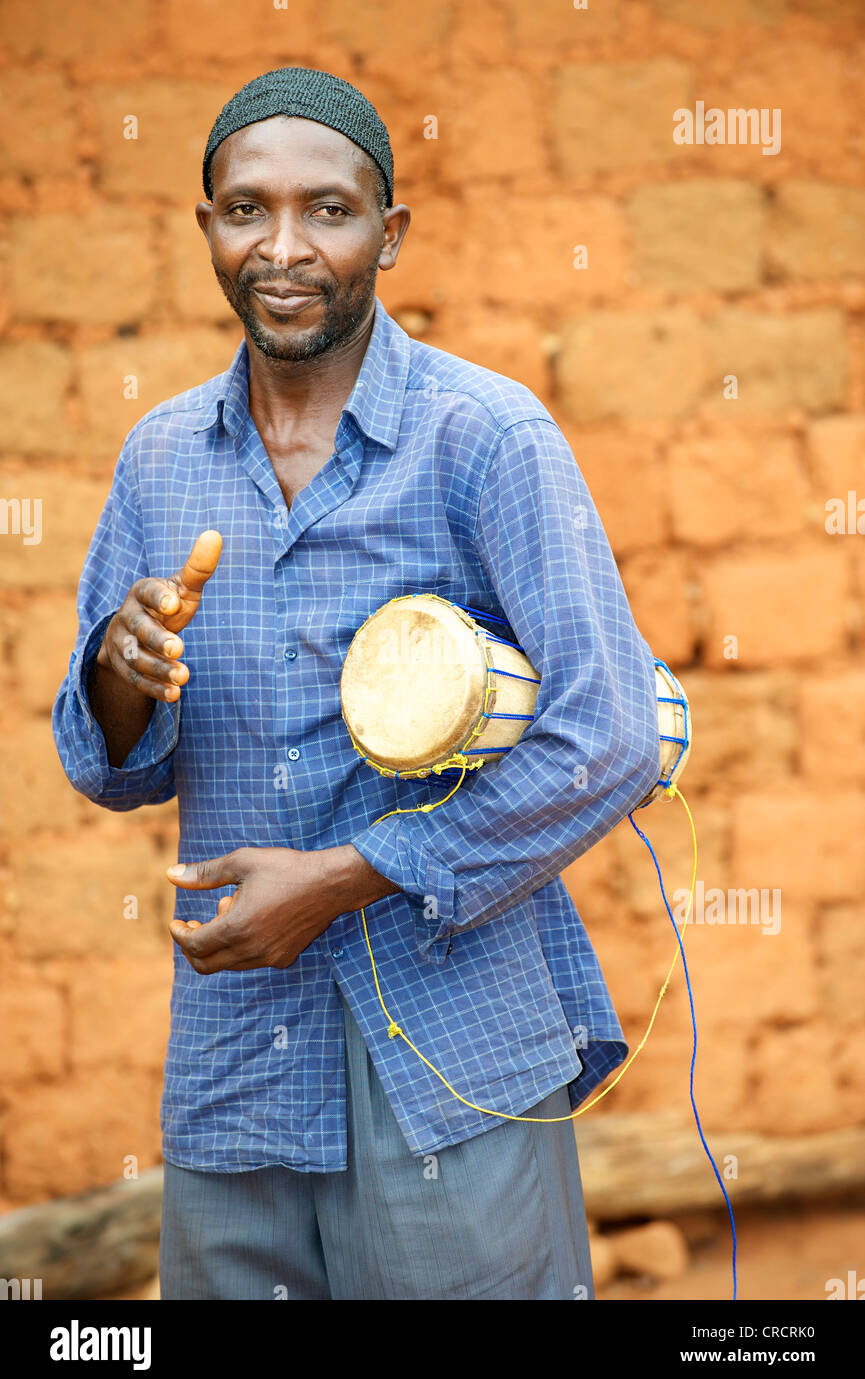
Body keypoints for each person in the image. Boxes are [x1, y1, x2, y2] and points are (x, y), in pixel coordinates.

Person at [52, 66, 661, 1301]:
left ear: (388, 235)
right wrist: (119, 672)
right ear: (206, 226)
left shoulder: (484, 440)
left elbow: (608, 740)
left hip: (455, 1047)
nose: (284, 247)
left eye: (327, 211)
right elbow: (112, 766)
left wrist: (341, 882)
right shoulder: (161, 458)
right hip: (238, 1066)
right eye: (245, 209)